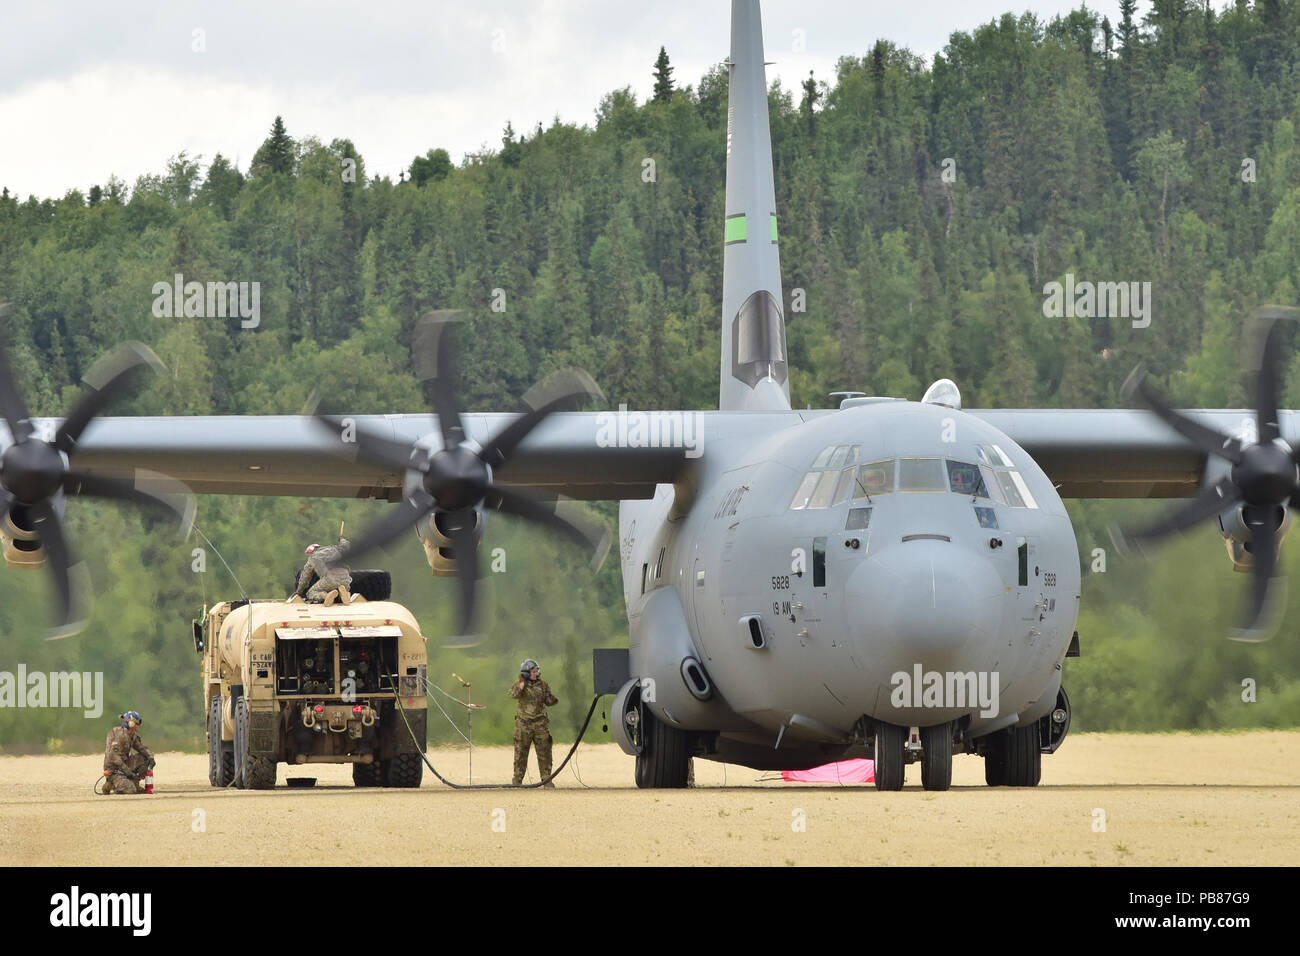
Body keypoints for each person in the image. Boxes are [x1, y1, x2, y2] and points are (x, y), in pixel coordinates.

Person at [508, 659, 558, 787]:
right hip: (524, 725)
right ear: (526, 673)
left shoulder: (543, 685)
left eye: (537, 671)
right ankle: (517, 781)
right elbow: (512, 695)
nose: (536, 673)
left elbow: (549, 700)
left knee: (545, 753)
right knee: (520, 754)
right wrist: (521, 686)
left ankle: (546, 780)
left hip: (540, 724)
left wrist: (552, 699)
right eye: (533, 671)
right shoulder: (520, 685)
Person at [102, 711, 155, 795]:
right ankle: (110, 784)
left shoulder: (132, 736)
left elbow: (141, 748)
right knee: (130, 790)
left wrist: (150, 757)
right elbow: (114, 757)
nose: (139, 725)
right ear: (131, 724)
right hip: (114, 771)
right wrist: (127, 771)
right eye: (137, 723)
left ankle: (134, 782)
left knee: (145, 759)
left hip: (124, 765)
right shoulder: (120, 736)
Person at [293, 538, 355, 605]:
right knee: (342, 588)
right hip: (346, 578)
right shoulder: (333, 549)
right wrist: (342, 538)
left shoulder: (313, 557)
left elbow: (305, 578)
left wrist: (298, 592)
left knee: (311, 593)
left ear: (310, 552)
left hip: (331, 579)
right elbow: (345, 545)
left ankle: (326, 596)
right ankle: (346, 595)